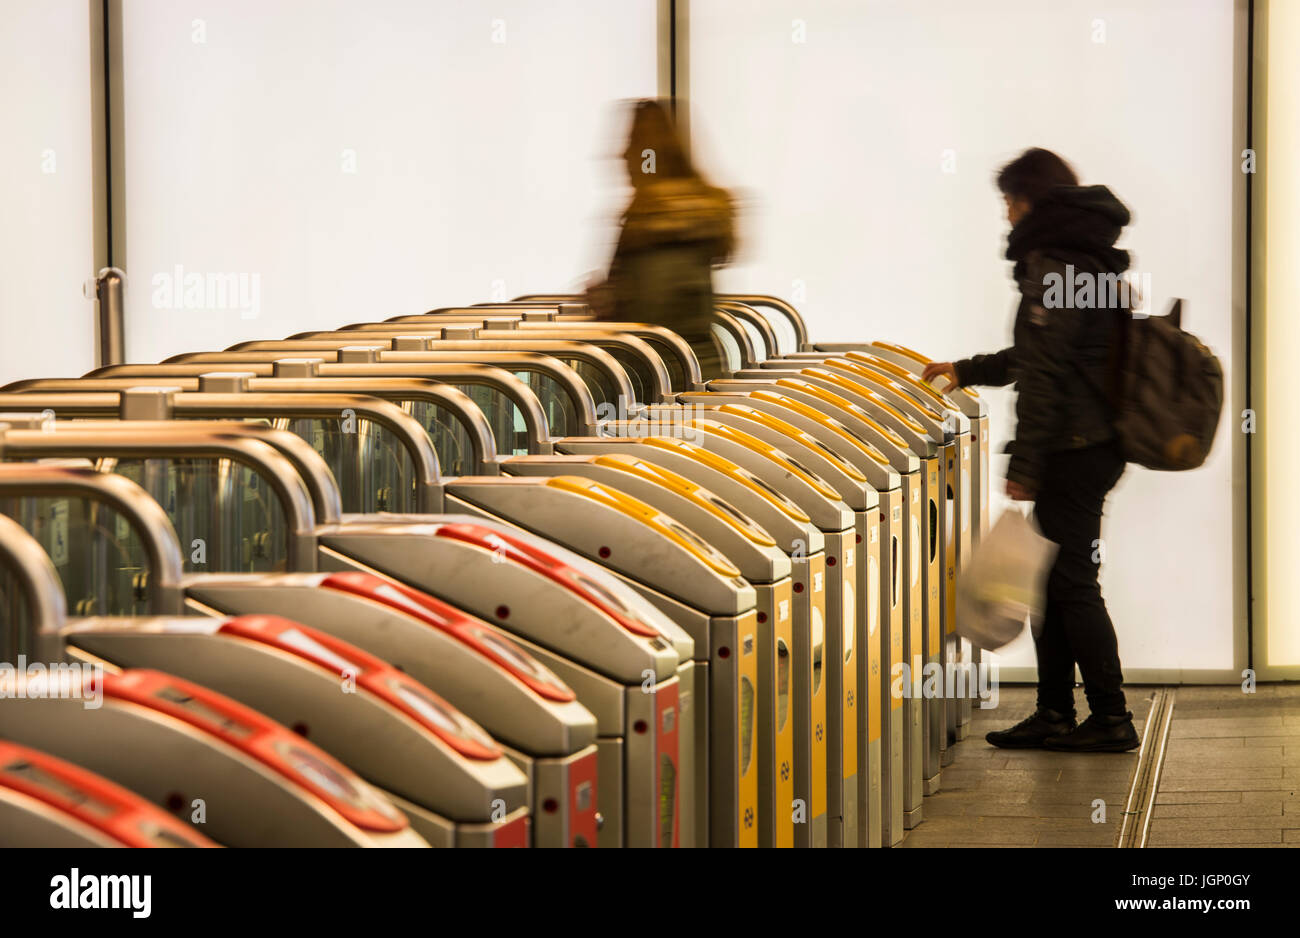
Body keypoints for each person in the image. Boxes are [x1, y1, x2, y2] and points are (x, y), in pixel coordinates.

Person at [922, 148, 1140, 753]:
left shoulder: (1054, 264)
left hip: (1074, 447)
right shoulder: (1092, 258)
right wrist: (968, 369)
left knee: (1071, 585)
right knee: (1055, 582)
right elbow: (1047, 356)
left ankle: (1110, 717)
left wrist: (1027, 468)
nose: (1007, 217)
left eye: (1010, 203)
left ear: (1032, 201)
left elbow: (1045, 378)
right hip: (1095, 442)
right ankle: (1055, 712)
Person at [586, 99, 735, 380]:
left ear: (647, 155)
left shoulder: (650, 224)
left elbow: (653, 321)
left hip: (662, 382)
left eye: (629, 143)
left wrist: (606, 305)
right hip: (702, 371)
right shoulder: (694, 215)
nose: (619, 154)